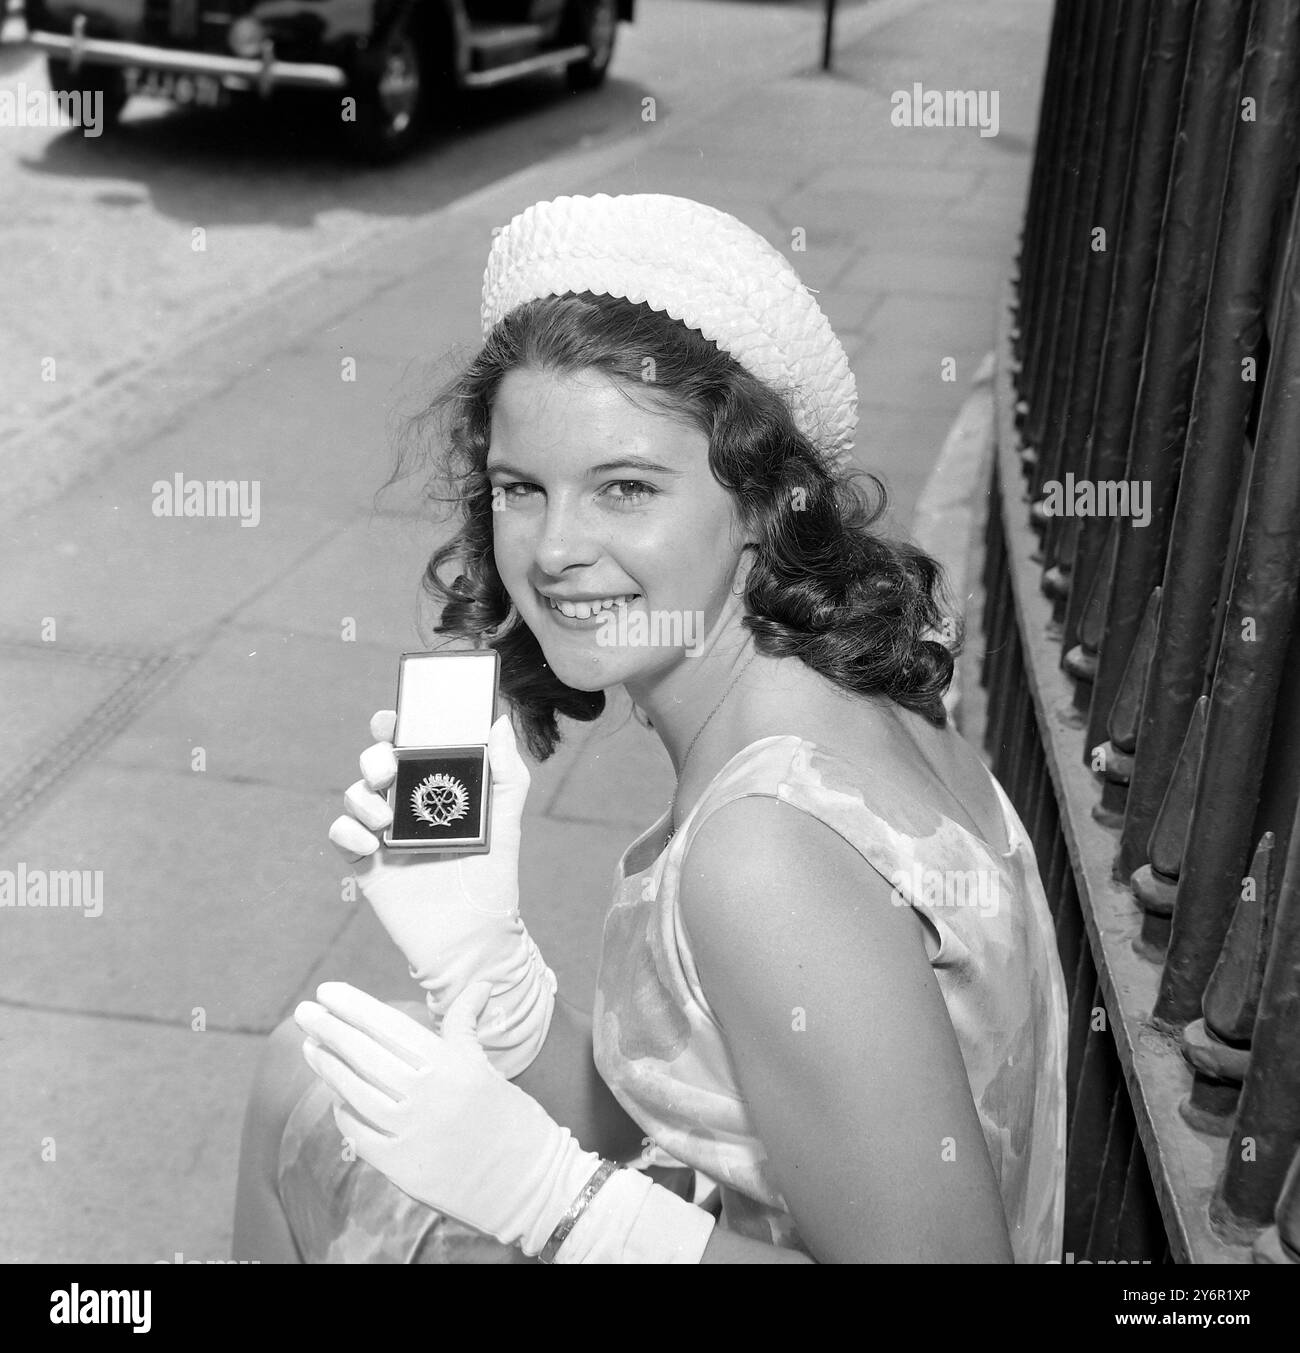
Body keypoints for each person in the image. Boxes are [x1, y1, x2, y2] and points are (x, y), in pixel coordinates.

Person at [232, 193, 1068, 1265]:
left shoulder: (761, 857)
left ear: (765, 504)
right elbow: (709, 1135)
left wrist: (555, 1204)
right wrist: (495, 979)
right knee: (315, 1070)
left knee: (303, 1118)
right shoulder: (857, 708)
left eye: (626, 488)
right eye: (519, 489)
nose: (554, 549)